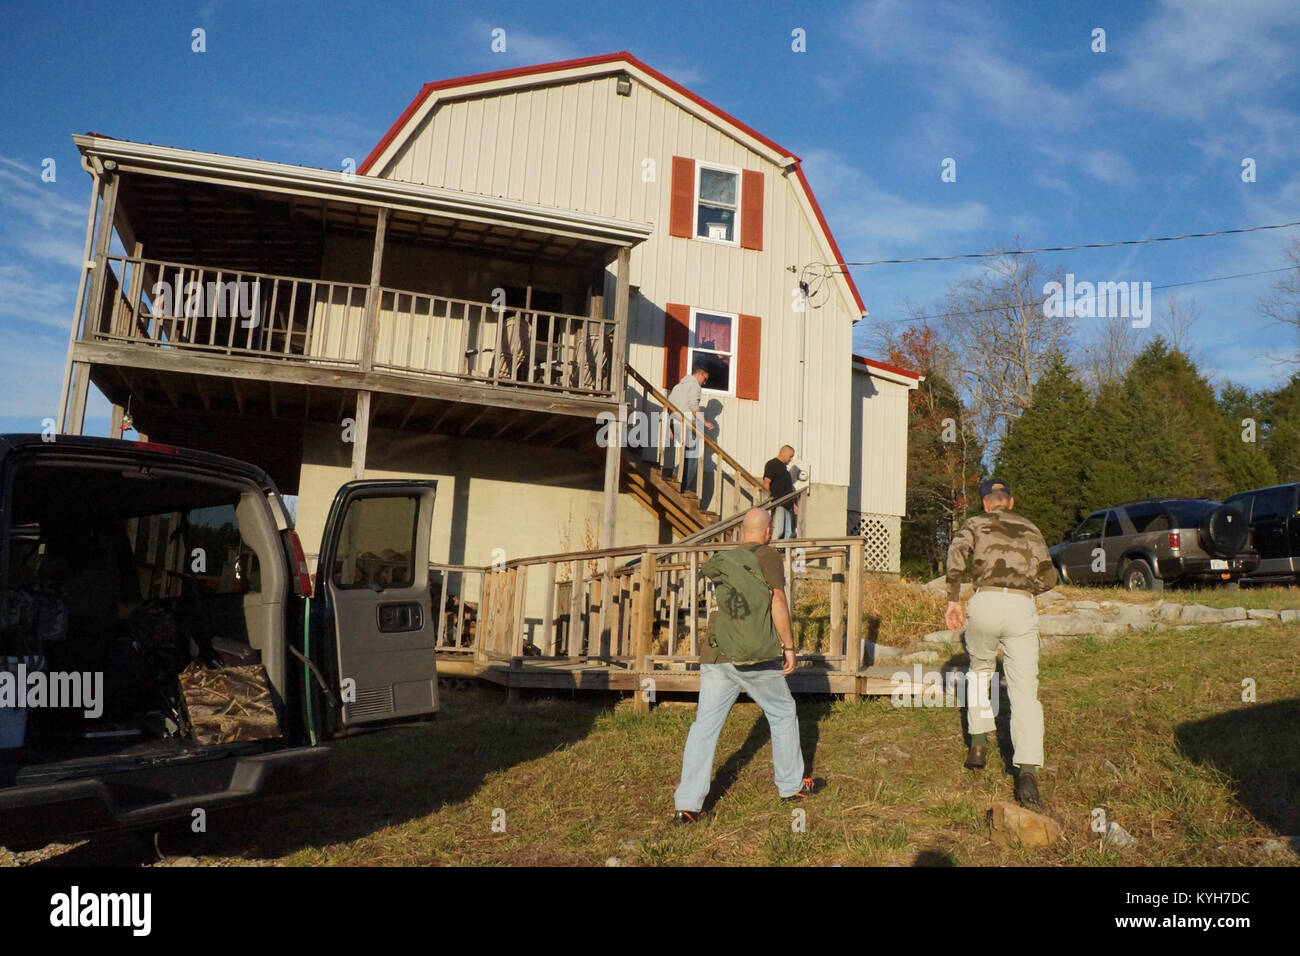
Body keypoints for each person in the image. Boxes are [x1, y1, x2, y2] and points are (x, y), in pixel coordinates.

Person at [673, 508, 823, 824]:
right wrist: (789, 646)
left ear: (743, 530)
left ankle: (687, 805)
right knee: (782, 713)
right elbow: (777, 602)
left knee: (704, 726)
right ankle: (791, 786)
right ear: (767, 531)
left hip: (716, 652)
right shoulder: (767, 556)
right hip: (754, 655)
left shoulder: (727, 558)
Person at [944, 478, 1058, 810]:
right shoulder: (1030, 527)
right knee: (1024, 689)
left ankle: (978, 746)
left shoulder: (974, 524)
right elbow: (1050, 575)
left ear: (985, 502)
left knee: (980, 671)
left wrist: (953, 600)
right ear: (1009, 500)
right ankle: (1027, 772)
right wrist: (1026, 591)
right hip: (1020, 605)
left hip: (985, 601)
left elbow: (956, 555)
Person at [666, 365, 714, 494]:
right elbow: (693, 405)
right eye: (705, 379)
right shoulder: (695, 386)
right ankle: (682, 485)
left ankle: (677, 474)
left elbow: (669, 404)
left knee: (688, 452)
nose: (705, 382)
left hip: (674, 421)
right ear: (699, 375)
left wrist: (670, 426)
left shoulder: (678, 386)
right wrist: (705, 422)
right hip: (685, 423)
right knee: (694, 454)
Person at [762, 445, 798, 539]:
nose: (791, 459)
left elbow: (787, 488)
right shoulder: (772, 464)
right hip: (778, 503)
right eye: (790, 456)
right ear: (783, 452)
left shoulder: (784, 469)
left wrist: (793, 504)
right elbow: (766, 482)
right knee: (778, 530)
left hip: (787, 504)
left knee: (788, 532)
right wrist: (768, 501)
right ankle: (774, 550)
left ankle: (784, 552)